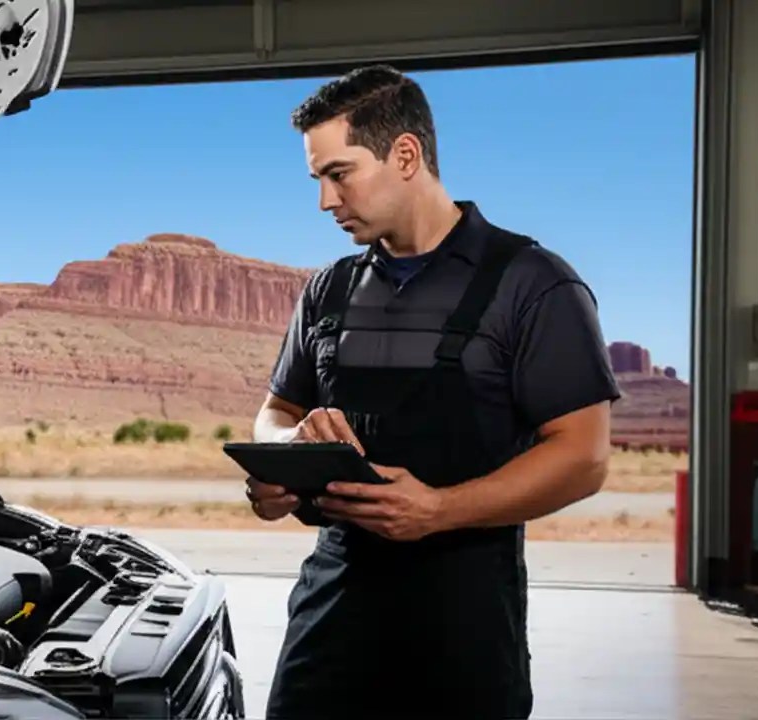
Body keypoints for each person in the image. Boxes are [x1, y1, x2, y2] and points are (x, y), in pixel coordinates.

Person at [246, 64, 621, 719]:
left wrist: (439, 509)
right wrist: (278, 457)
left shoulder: (533, 285)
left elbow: (583, 456)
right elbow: (278, 410)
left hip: (466, 624)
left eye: (340, 175)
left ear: (407, 155)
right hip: (331, 618)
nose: (326, 202)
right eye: (318, 181)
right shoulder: (327, 291)